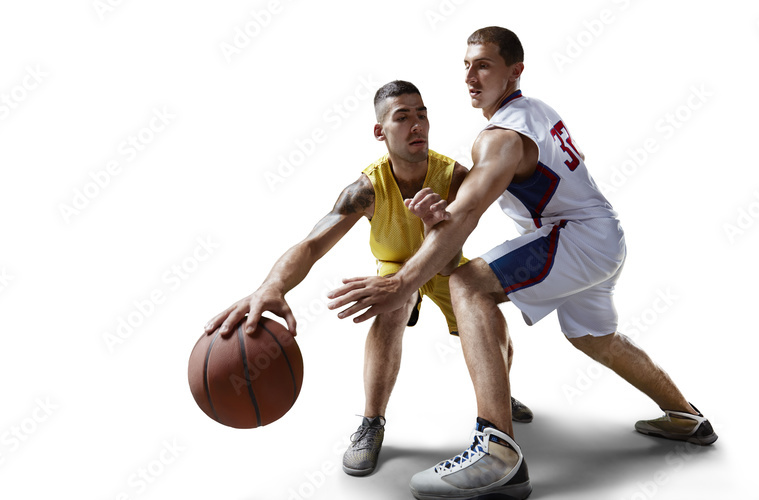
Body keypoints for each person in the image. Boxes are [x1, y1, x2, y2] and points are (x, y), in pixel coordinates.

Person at [327, 28, 717, 500]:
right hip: (601, 236)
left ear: (515, 71)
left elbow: (467, 215)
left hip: (577, 237)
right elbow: (458, 214)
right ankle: (686, 417)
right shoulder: (535, 113)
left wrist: (403, 280)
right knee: (595, 339)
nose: (471, 76)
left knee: (469, 284)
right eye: (467, 65)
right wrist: (438, 220)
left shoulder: (501, 137)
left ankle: (497, 452)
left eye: (484, 65)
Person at [203, 80, 533, 478]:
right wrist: (272, 285)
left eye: (422, 113)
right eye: (403, 116)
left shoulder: (456, 177)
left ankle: (498, 395)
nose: (417, 125)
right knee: (390, 311)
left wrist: (435, 227)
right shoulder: (367, 189)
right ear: (381, 131)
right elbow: (311, 245)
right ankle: (372, 422)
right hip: (394, 269)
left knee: (492, 326)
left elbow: (457, 239)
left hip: (444, 267)